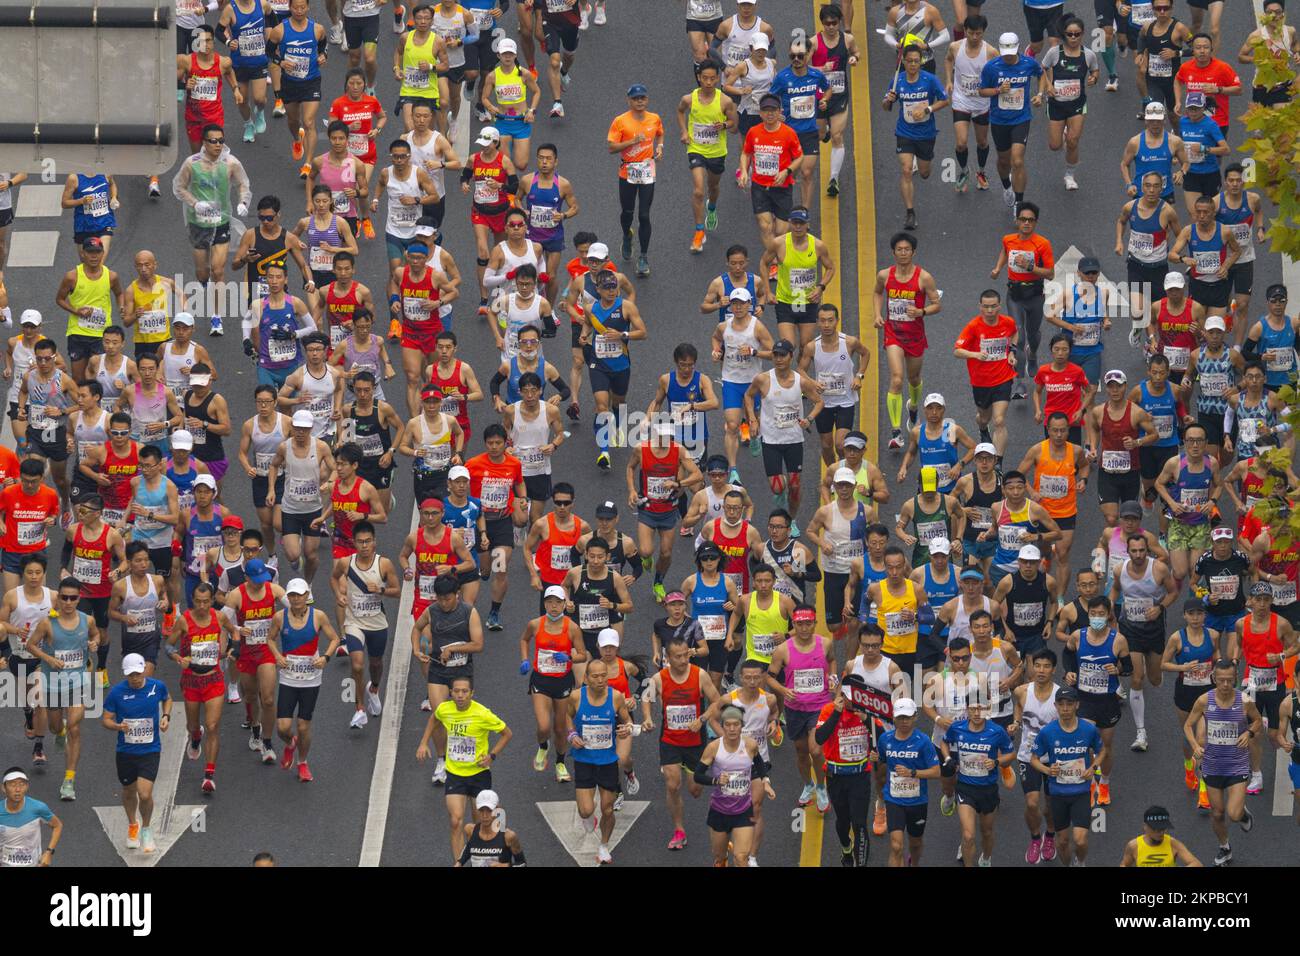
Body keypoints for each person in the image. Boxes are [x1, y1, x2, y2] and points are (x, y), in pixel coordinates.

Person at [417, 676, 511, 864]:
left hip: (479, 775)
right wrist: (423, 742)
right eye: (456, 691)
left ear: (471, 693)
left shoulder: (483, 714)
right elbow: (434, 719)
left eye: (464, 692)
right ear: (451, 693)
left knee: (480, 825)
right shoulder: (445, 709)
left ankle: (487, 855)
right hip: (455, 774)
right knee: (456, 821)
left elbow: (506, 734)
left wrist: (491, 756)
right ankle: (459, 862)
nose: (460, 695)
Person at [642, 634, 721, 851]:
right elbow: (646, 698)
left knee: (695, 790)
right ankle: (679, 830)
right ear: (668, 657)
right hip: (670, 740)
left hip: (695, 742)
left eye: (686, 655)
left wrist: (703, 719)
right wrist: (647, 718)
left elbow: (717, 702)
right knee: (672, 785)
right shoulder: (659, 679)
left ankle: (695, 776)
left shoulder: (699, 675)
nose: (684, 660)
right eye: (678, 656)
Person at [25, 577, 99, 802]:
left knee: (75, 726)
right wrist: (48, 657)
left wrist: (94, 643)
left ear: (79, 598)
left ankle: (69, 780)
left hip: (77, 682)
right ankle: (60, 731)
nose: (68, 602)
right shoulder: (48, 623)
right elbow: (30, 645)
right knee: (56, 726)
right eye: (64, 597)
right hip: (53, 684)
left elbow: (97, 635)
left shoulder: (87, 621)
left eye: (72, 598)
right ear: (59, 598)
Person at [1183, 659, 1260, 865]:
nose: (1225, 685)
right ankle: (1225, 848)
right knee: (1217, 814)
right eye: (1221, 680)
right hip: (1212, 764)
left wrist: (1249, 732)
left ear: (1235, 679)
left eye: (1229, 680)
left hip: (1237, 764)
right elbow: (1188, 726)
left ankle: (1243, 815)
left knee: (1233, 814)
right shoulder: (1203, 701)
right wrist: (1195, 746)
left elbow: (1258, 720)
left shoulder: (1244, 701)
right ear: (1214, 679)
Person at [165, 581, 235, 794]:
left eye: (206, 601)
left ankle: (209, 775)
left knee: (213, 726)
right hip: (191, 680)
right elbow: (168, 645)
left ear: (212, 601)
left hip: (213, 679)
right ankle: (195, 737)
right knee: (193, 725)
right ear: (193, 600)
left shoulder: (219, 617)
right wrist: (177, 657)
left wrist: (233, 650)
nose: (202, 605)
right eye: (198, 601)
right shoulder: (184, 621)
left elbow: (234, 632)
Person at [267, 578, 340, 782]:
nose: (296, 599)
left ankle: (302, 762)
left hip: (310, 680)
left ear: (307, 596)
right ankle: (290, 744)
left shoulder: (318, 616)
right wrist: (277, 656)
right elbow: (270, 639)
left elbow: (335, 638)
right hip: (289, 679)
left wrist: (325, 657)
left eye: (299, 595)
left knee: (303, 726)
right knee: (282, 727)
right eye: (292, 595)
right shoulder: (280, 618)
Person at [874, 232, 942, 450]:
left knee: (913, 378)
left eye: (907, 250)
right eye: (899, 249)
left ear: (913, 252)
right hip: (893, 333)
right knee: (896, 379)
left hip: (915, 336)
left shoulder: (924, 277)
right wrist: (877, 314)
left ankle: (913, 407)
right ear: (893, 252)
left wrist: (921, 311)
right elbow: (877, 293)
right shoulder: (885, 275)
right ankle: (896, 432)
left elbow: (936, 304)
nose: (903, 253)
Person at [412, 572, 483, 776]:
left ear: (457, 594)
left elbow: (478, 645)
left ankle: (462, 758)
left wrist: (453, 649)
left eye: (447, 598)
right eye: (440, 598)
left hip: (462, 670)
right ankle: (442, 760)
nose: (443, 603)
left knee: (461, 715)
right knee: (440, 714)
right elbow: (416, 630)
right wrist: (417, 650)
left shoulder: (469, 612)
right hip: (438, 670)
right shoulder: (432, 611)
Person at [101, 652, 172, 854]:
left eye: (137, 673)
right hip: (125, 751)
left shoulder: (157, 686)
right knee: (129, 792)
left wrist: (166, 716)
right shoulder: (116, 692)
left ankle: (147, 829)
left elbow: (167, 699)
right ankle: (133, 825)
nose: (134, 678)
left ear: (143, 671)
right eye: (130, 674)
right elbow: (105, 719)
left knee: (145, 793)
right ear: (126, 674)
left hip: (150, 749)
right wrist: (117, 726)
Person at [766, 604, 834, 811]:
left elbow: (832, 662)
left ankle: (822, 787)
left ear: (815, 624)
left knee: (816, 750)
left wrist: (832, 678)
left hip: (819, 706)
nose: (804, 628)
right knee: (801, 751)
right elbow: (769, 677)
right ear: (794, 624)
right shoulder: (782, 650)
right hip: (795, 708)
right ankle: (808, 785)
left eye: (808, 624)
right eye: (800, 624)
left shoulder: (826, 644)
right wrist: (783, 690)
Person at [566, 658, 633, 865]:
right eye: (595, 676)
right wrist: (571, 735)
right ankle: (589, 819)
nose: (601, 680)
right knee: (586, 810)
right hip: (584, 760)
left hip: (607, 761)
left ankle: (604, 845)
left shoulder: (616, 697)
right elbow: (567, 718)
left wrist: (626, 727)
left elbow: (627, 720)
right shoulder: (576, 697)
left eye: (604, 675)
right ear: (586, 678)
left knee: (607, 809)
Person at [1063, 596, 1127, 807]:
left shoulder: (1118, 640)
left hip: (1107, 701)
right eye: (1093, 614)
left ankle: (1106, 782)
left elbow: (1128, 667)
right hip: (1084, 700)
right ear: (1088, 615)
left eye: (1101, 614)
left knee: (1105, 746)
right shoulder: (1077, 636)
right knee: (1087, 744)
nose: (1097, 618)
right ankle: (1091, 784)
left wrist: (1117, 669)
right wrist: (1069, 672)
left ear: (1108, 615)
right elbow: (1068, 655)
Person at [1031, 685, 1105, 865]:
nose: (1065, 709)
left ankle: (1080, 861)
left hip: (1081, 792)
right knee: (1063, 842)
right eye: (1061, 704)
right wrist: (1048, 770)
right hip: (1057, 794)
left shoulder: (1088, 729)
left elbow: (1102, 751)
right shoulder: (1047, 732)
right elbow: (1034, 759)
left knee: (1080, 840)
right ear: (1055, 706)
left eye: (1069, 704)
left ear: (1077, 705)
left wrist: (1093, 767)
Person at [519, 586, 585, 783]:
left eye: (558, 602)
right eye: (549, 602)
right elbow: (524, 639)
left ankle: (560, 762)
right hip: (541, 679)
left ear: (565, 604)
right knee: (544, 725)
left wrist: (568, 657)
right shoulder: (535, 624)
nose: (554, 607)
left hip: (563, 682)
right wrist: (524, 659)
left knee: (560, 729)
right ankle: (543, 746)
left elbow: (582, 655)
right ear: (544, 604)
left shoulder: (572, 628)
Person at [465, 424, 528, 631]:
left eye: (498, 443)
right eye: (490, 443)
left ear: (505, 443)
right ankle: (484, 570)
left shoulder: (514, 464)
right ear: (485, 444)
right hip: (477, 522)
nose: (493, 447)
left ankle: (494, 613)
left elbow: (519, 483)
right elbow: (459, 485)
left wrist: (522, 499)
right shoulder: (473, 464)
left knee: (500, 566)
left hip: (502, 521)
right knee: (484, 569)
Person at [991, 201, 1053, 399]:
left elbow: (1050, 274)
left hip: (1035, 296)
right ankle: (1020, 384)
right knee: (1019, 336)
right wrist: (998, 268)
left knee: (1032, 334)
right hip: (1015, 296)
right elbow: (1004, 251)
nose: (1027, 223)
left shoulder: (1042, 244)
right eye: (1023, 219)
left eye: (1031, 220)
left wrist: (1030, 267)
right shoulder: (1008, 239)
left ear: (1035, 223)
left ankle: (1033, 355)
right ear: (1017, 221)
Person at [266, 409, 337, 581]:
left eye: (304, 429)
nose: (300, 432)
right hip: (290, 508)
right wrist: (271, 489)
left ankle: (308, 584)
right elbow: (274, 466)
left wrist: (329, 483)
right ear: (293, 427)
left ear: (311, 428)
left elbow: (335, 468)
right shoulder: (284, 447)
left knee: (311, 555)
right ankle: (295, 558)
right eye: (297, 428)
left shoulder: (321, 447)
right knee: (292, 555)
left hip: (313, 509)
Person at [227, 558, 287, 762]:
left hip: (266, 650)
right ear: (246, 578)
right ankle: (255, 729)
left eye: (263, 578)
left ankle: (268, 744)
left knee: (268, 699)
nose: (261, 583)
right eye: (256, 580)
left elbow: (296, 608)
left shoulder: (274, 590)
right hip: (247, 653)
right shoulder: (236, 595)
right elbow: (222, 621)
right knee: (251, 696)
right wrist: (237, 629)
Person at [694, 704, 769, 867]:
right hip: (719, 811)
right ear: (722, 726)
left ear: (742, 726)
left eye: (736, 724)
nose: (732, 729)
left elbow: (759, 762)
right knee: (719, 858)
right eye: (728, 725)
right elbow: (697, 775)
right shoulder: (714, 748)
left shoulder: (750, 745)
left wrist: (765, 781)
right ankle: (723, 859)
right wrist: (715, 781)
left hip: (743, 811)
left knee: (741, 857)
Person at [884, 45, 948, 230]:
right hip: (904, 132)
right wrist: (888, 99)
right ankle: (910, 213)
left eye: (916, 61)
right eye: (909, 61)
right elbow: (886, 107)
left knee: (924, 173)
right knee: (905, 170)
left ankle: (925, 164)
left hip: (926, 134)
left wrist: (927, 109)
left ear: (921, 62)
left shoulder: (930, 80)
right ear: (903, 62)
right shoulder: (897, 81)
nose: (913, 65)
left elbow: (945, 100)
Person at [1084, 369, 1159, 528]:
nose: (1115, 390)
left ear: (1125, 386)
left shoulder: (1136, 412)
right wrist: (1092, 448)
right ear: (1106, 388)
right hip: (1107, 473)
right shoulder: (1099, 411)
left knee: (1129, 519)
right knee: (1111, 519)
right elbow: (1095, 429)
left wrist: (1136, 442)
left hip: (1130, 472)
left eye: (1118, 386)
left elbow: (1154, 435)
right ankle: (1115, 547)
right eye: (1111, 387)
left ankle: (1124, 547)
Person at [677, 60, 738, 254]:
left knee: (713, 186)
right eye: (705, 78)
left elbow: (734, 124)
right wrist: (684, 132)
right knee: (698, 191)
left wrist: (725, 125)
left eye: (713, 78)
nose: (709, 82)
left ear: (718, 78)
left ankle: (711, 207)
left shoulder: (725, 101)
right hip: (696, 148)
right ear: (698, 78)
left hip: (717, 151)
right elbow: (680, 111)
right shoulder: (689, 99)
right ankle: (698, 232)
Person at [1017, 411, 1089, 574]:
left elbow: (1084, 466)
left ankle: (1060, 598)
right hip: (1043, 511)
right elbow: (1019, 474)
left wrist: (1083, 480)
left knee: (1063, 555)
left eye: (1063, 430)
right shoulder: (1037, 450)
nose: (1059, 435)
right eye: (1055, 430)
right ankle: (1047, 556)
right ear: (1048, 430)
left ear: (1068, 430)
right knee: (1044, 548)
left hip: (1066, 511)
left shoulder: (1076, 451)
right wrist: (1032, 491)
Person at [979, 33, 1043, 210]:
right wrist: (998, 90)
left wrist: (1040, 94)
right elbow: (982, 91)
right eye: (1005, 52)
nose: (1008, 55)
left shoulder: (1028, 63)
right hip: (999, 120)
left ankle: (1019, 203)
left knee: (1017, 161)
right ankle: (1007, 186)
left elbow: (1041, 73)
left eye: (1011, 52)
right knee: (1003, 161)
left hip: (1021, 119)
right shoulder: (991, 68)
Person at [607, 84, 664, 278]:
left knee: (645, 215)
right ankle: (627, 235)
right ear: (629, 100)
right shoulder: (620, 121)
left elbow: (660, 134)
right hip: (627, 172)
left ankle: (643, 257)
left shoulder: (654, 118)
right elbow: (611, 148)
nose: (639, 101)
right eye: (635, 98)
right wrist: (632, 142)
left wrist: (660, 147)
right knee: (627, 213)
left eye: (642, 98)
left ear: (647, 100)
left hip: (647, 171)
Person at [878, 696, 941, 866]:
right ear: (893, 718)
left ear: (915, 717)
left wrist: (912, 773)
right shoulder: (885, 739)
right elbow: (882, 761)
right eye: (900, 717)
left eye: (907, 717)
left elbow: (936, 772)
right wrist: (874, 759)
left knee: (915, 843)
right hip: (894, 799)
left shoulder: (924, 742)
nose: (904, 721)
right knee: (896, 845)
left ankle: (914, 863)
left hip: (917, 801)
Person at [1010, 646, 1059, 862]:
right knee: (1031, 803)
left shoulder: (1060, 697)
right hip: (1027, 756)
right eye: (1037, 665)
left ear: (1053, 670)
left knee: (1050, 806)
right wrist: (1016, 723)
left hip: (1053, 760)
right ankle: (1035, 838)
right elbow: (1019, 708)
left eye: (1046, 666)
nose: (1041, 670)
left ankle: (1050, 835)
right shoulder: (1021, 691)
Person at [54, 238, 125, 384]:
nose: (94, 256)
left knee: (98, 377)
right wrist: (76, 311)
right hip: (78, 333)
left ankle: (97, 406)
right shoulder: (72, 276)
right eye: (90, 252)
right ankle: (81, 406)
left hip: (101, 334)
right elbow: (60, 299)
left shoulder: (111, 276)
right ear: (83, 254)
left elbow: (119, 293)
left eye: (97, 252)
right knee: (79, 378)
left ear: (102, 254)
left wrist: (121, 306)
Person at [739, 94, 803, 250]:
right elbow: (746, 153)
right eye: (766, 110)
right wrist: (744, 171)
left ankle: (776, 256)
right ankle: (773, 262)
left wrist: (787, 172)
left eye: (773, 110)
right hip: (760, 186)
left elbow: (799, 157)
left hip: (782, 187)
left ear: (779, 111)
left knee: (781, 231)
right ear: (760, 113)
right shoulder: (753, 132)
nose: (769, 114)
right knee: (765, 227)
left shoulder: (788, 133)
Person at [811, 4, 860, 196]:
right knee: (821, 134)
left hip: (839, 94)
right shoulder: (813, 42)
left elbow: (857, 52)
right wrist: (821, 69)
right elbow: (800, 67)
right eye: (827, 23)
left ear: (839, 22)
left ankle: (833, 179)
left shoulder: (847, 39)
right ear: (822, 23)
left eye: (834, 23)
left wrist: (855, 59)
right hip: (819, 96)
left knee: (838, 136)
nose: (830, 27)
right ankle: (825, 132)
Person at [178, 24, 244, 154]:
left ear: (213, 41)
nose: (205, 44)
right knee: (197, 158)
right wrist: (184, 85)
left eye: (208, 40)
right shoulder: (187, 61)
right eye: (201, 41)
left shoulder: (224, 62)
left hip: (214, 116)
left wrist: (236, 89)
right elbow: (170, 81)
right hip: (193, 117)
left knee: (214, 154)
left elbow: (229, 72)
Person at [480, 39, 543, 174]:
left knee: (521, 164)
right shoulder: (492, 76)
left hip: (521, 122)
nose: (507, 57)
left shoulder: (524, 73)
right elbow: (484, 98)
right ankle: (509, 190)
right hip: (502, 123)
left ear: (515, 55)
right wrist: (491, 107)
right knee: (505, 165)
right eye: (504, 54)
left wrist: (531, 111)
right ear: (499, 56)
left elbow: (537, 92)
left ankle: (517, 147)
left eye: (510, 54)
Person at [0, 457, 61, 593]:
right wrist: (1, 522)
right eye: (25, 480)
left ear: (41, 479)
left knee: (38, 599)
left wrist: (52, 520)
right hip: (12, 552)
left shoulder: (50, 495)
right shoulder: (8, 493)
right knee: (11, 598)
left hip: (37, 552)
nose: (29, 485)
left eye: (33, 481)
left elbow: (53, 513)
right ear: (20, 477)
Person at [0, 768, 63, 867]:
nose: (18, 789)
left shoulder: (38, 807)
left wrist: (49, 852)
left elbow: (57, 826)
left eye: (22, 784)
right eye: (12, 785)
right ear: (3, 788)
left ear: (27, 786)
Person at [121, 251, 178, 359]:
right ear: (135, 267)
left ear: (155, 265)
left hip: (164, 340)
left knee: (164, 374)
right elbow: (126, 322)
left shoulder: (166, 283)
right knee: (145, 375)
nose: (143, 269)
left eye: (147, 265)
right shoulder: (131, 290)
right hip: (143, 344)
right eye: (139, 265)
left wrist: (182, 317)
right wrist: (135, 315)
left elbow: (182, 295)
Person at [455, 789, 525, 867]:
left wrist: (505, 866)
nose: (485, 816)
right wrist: (459, 863)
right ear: (477, 810)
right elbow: (469, 847)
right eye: (481, 810)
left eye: (489, 810)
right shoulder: (470, 830)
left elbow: (522, 864)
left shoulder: (508, 836)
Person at [1120, 805, 1203, 865]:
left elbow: (1196, 864)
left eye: (1163, 828)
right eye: (1155, 828)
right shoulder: (1134, 846)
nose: (1161, 832)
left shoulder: (1173, 844)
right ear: (1145, 826)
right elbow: (1124, 864)